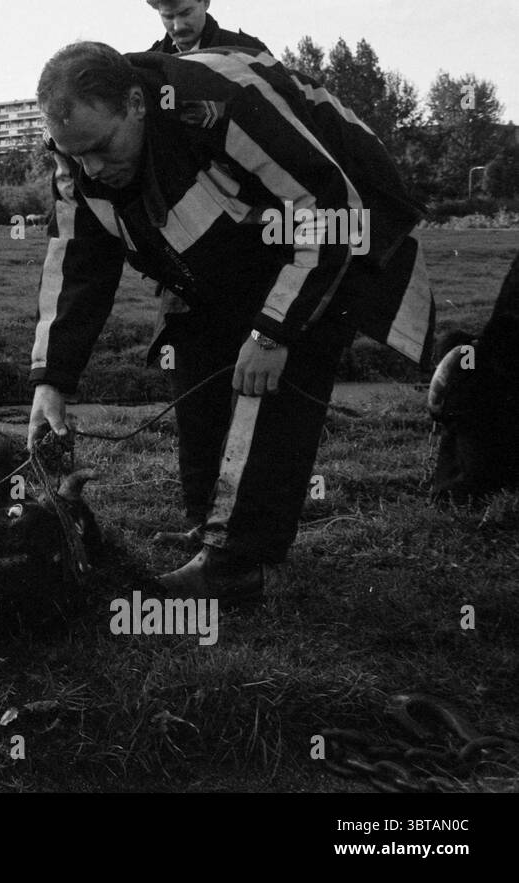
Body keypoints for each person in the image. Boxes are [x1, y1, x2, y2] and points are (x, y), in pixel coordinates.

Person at [27, 41, 435, 602]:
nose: (91, 167)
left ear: (136, 104)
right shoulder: (75, 158)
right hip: (233, 242)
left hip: (342, 225)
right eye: (74, 155)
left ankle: (240, 562)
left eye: (100, 147)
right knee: (193, 345)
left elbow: (328, 207)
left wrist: (274, 332)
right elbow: (77, 261)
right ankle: (208, 526)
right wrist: (53, 378)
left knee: (273, 371)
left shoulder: (219, 102)